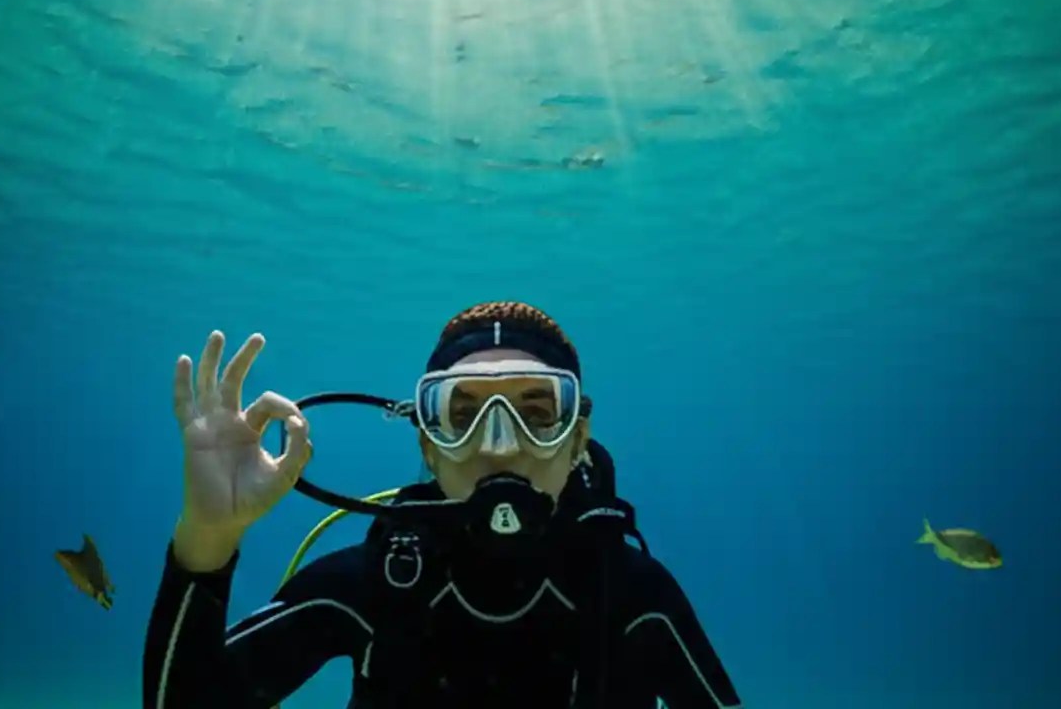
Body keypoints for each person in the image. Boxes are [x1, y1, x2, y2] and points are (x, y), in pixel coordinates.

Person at [142, 301, 745, 709]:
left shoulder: (629, 595)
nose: (500, 444)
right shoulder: (377, 584)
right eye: (463, 414)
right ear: (428, 446)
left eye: (538, 415)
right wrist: (208, 536)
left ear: (578, 442)